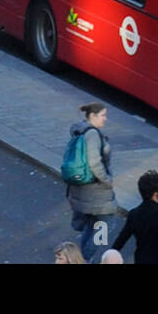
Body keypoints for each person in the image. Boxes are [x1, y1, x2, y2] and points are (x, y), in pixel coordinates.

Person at [63, 103, 120, 262]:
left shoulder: (80, 130)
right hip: (96, 192)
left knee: (91, 224)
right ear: (93, 116)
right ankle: (85, 258)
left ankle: (83, 257)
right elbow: (95, 163)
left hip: (83, 190)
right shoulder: (92, 135)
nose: (105, 119)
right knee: (105, 225)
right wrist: (107, 180)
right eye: (102, 115)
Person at [111, 169, 158, 264]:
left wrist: (111, 253)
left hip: (141, 259)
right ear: (155, 192)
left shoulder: (134, 214)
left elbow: (122, 238)